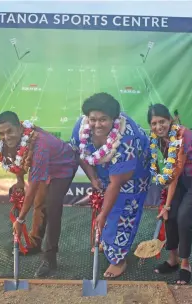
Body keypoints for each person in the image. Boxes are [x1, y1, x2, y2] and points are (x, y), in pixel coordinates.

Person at [69, 92, 151, 278]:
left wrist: (103, 215)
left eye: (103, 119)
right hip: (106, 169)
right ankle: (106, 242)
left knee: (121, 213)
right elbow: (79, 153)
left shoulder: (128, 139)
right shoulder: (81, 127)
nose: (97, 124)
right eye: (93, 119)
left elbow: (117, 183)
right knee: (106, 209)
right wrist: (93, 177)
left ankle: (118, 259)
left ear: (114, 119)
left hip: (134, 175)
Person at [0, 111, 79, 277]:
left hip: (63, 166)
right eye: (2, 133)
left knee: (52, 207)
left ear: (20, 127)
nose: (6, 136)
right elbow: (17, 160)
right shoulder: (9, 139)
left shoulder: (40, 145)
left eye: (10, 131)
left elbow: (32, 188)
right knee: (40, 204)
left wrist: (20, 220)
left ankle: (50, 258)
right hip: (47, 167)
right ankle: (34, 244)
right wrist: (19, 181)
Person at [147, 103, 192, 285]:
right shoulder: (156, 139)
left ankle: (185, 264)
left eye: (162, 121)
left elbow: (174, 175)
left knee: (183, 217)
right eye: (154, 123)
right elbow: (167, 172)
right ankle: (172, 260)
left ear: (171, 120)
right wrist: (168, 207)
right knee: (170, 217)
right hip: (181, 177)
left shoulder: (183, 136)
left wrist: (166, 205)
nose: (158, 126)